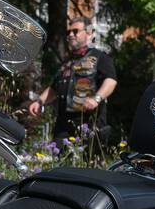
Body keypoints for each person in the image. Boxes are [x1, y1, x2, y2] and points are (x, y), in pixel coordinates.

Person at [27, 16, 117, 147]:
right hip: (63, 125)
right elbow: (54, 88)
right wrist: (39, 101)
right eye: (68, 32)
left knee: (86, 164)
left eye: (75, 31)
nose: (70, 35)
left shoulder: (100, 57)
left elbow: (111, 81)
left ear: (89, 33)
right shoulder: (67, 62)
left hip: (89, 122)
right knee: (59, 162)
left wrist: (96, 99)